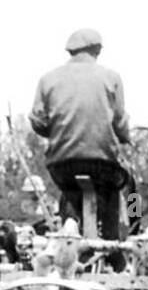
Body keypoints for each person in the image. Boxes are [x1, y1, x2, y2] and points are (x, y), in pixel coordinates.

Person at [29, 28, 139, 247]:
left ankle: (67, 235)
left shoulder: (47, 79)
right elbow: (119, 122)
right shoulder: (111, 77)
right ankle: (122, 235)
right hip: (103, 165)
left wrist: (57, 130)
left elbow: (38, 121)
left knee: (69, 191)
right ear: (96, 50)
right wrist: (127, 137)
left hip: (61, 164)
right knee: (130, 183)